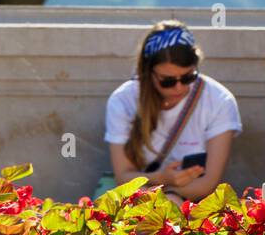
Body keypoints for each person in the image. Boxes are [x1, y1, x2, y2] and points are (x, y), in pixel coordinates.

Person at [96, 20, 242, 206]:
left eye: (189, 77)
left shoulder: (220, 101)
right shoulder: (123, 100)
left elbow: (209, 182)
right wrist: (161, 178)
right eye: (168, 81)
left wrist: (171, 196)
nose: (179, 87)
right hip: (137, 202)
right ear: (148, 72)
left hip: (193, 204)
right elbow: (123, 176)